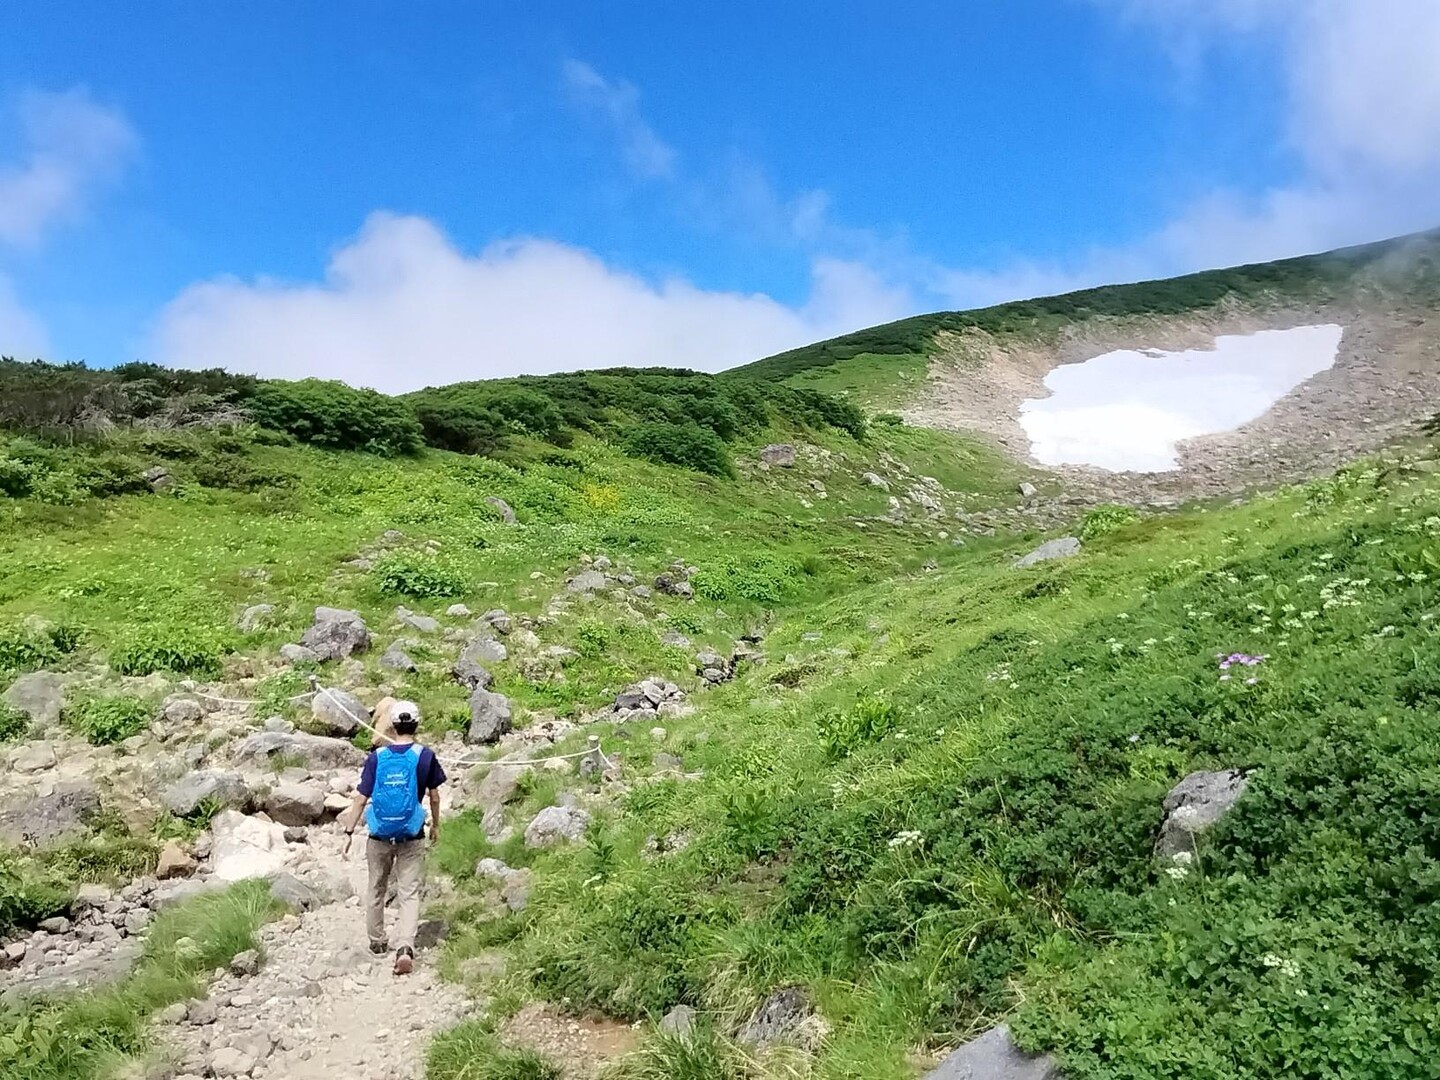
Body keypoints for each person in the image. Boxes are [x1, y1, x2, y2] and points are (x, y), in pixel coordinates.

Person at [340, 701, 445, 975]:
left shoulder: (377, 757)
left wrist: (349, 831)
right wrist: (435, 824)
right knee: (409, 892)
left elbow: (361, 797)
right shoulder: (425, 756)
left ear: (393, 725)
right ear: (416, 724)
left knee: (376, 887)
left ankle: (377, 941)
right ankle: (405, 948)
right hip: (411, 834)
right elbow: (434, 795)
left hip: (379, 834)